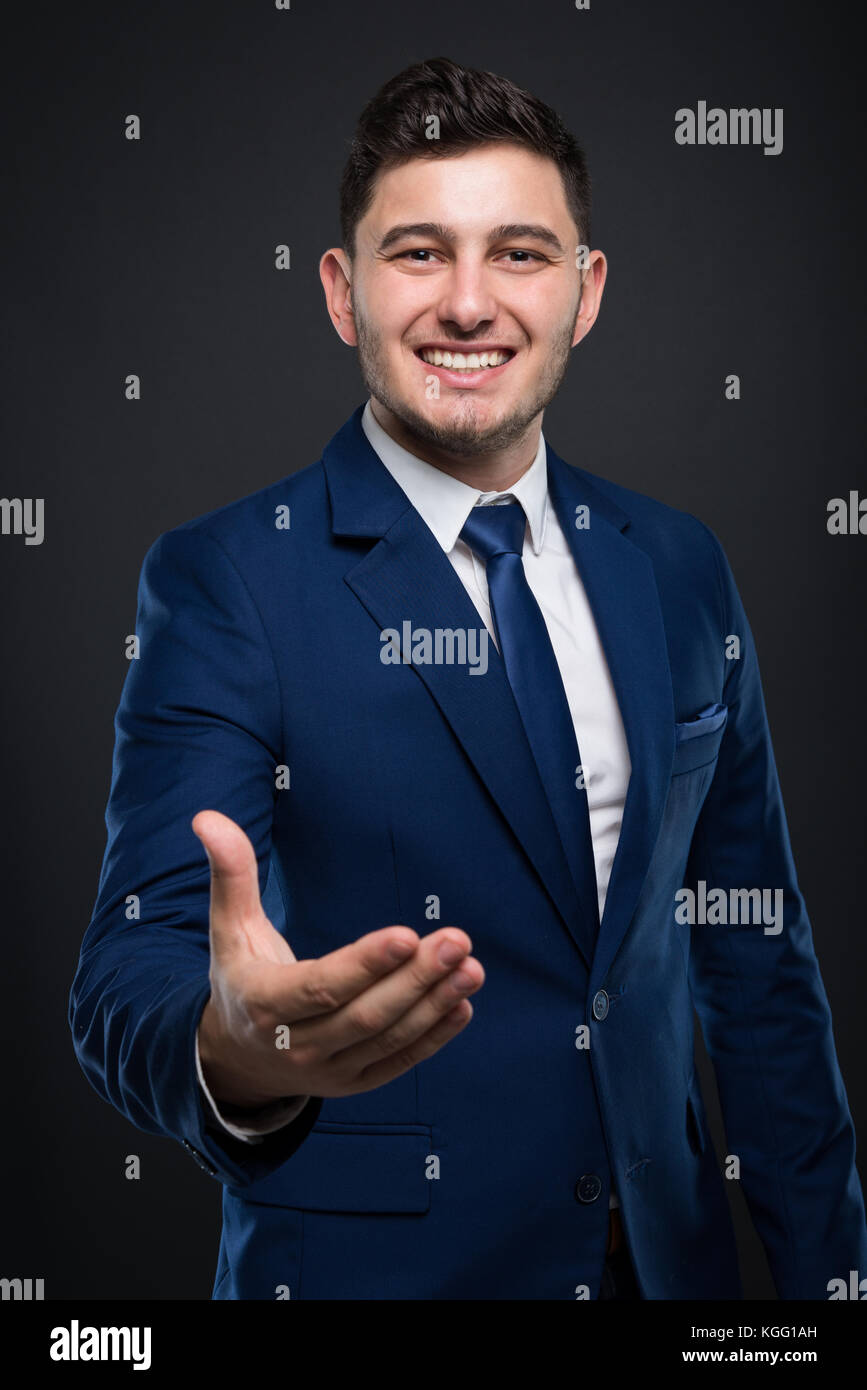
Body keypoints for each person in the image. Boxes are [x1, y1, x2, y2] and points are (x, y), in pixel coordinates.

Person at [70, 56, 867, 1301]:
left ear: (586, 292)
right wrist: (240, 1046)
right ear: (342, 293)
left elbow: (759, 970)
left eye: (522, 254)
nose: (469, 302)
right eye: (419, 253)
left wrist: (832, 1288)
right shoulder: (226, 580)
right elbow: (133, 968)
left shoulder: (677, 566)